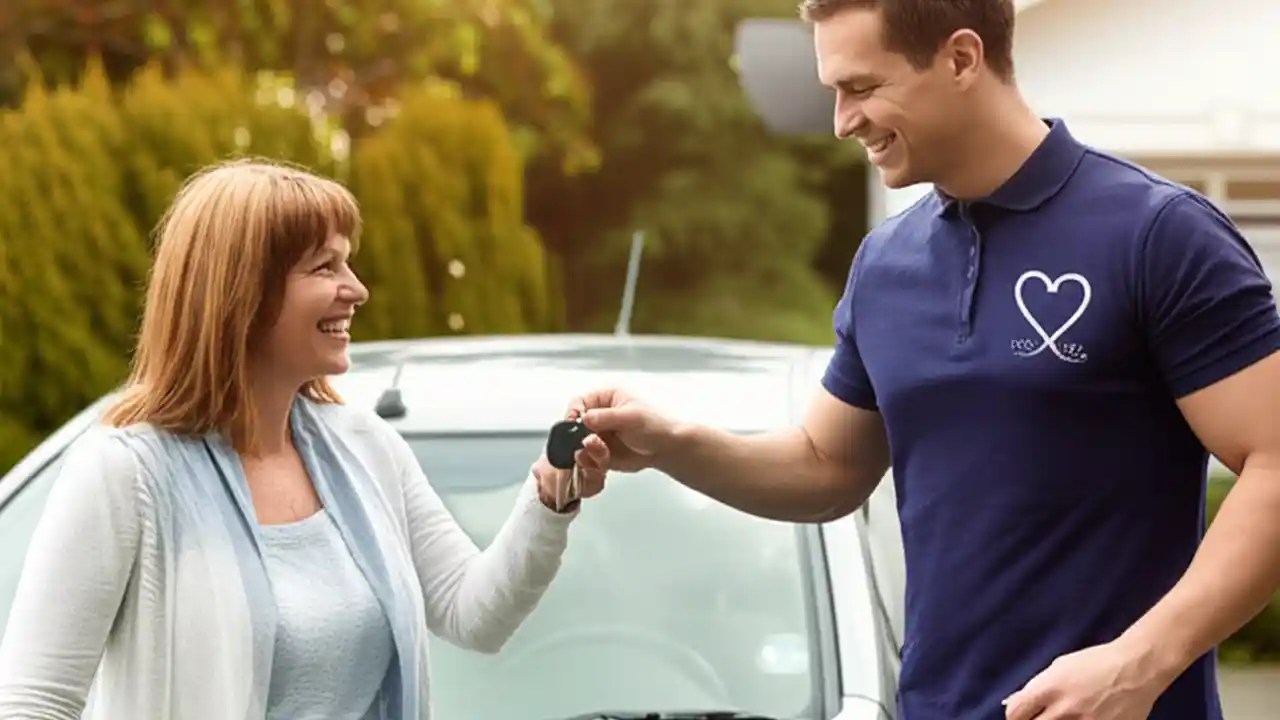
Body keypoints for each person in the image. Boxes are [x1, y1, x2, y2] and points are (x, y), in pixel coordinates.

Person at [574, 1, 1280, 719]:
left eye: (862, 87)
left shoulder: (1158, 236)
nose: (842, 122)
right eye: (834, 93)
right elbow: (827, 466)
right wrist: (673, 444)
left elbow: (1274, 461)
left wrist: (1142, 662)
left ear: (963, 59)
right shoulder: (885, 266)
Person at [0, 158, 610, 720]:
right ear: (242, 292)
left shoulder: (367, 447)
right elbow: (35, 701)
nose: (357, 288)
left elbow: (474, 613)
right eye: (325, 266)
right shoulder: (124, 473)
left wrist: (552, 494)